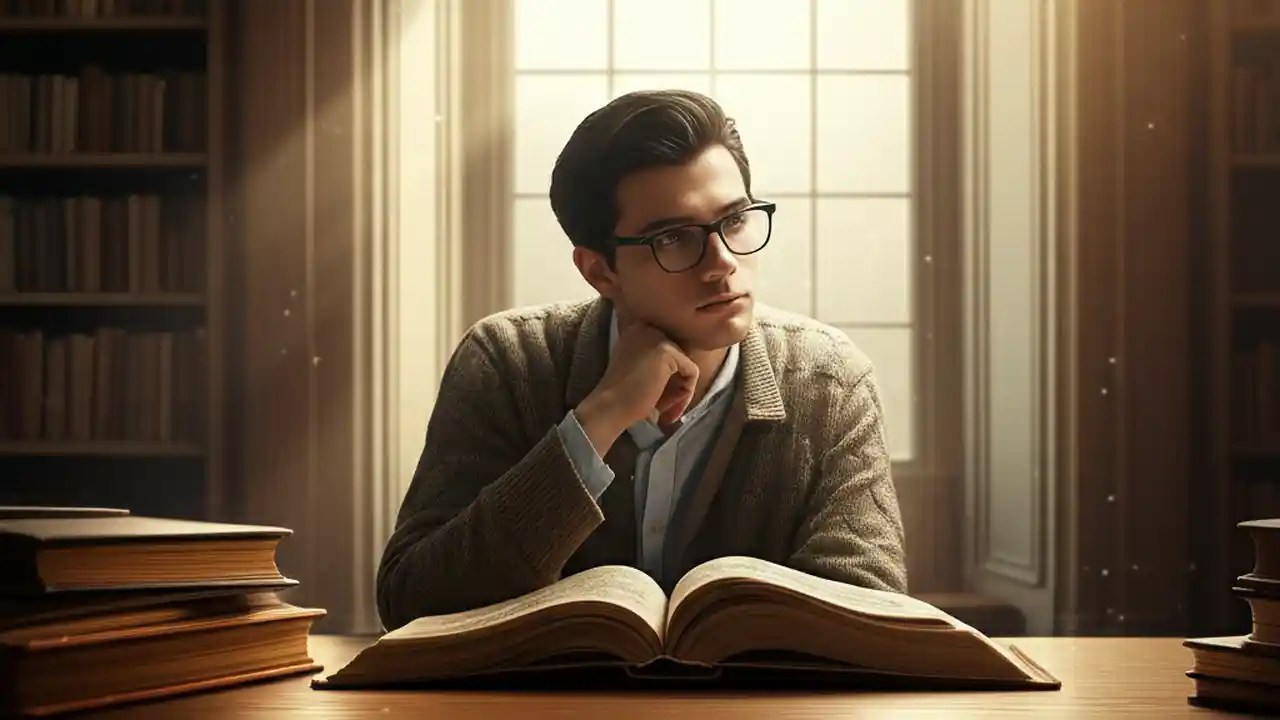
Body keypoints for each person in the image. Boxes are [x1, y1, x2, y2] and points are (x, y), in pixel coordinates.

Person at [376, 90, 907, 631]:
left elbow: (870, 618)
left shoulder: (831, 381)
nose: (722, 263)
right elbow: (413, 601)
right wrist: (599, 418)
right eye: (674, 238)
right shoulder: (507, 361)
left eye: (736, 219)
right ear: (600, 272)